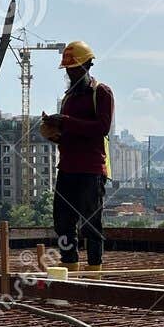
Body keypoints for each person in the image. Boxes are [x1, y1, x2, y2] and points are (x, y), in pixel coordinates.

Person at [40, 41, 113, 274]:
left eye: (75, 68)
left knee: (91, 224)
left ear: (88, 66)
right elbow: (71, 133)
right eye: (68, 69)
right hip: (68, 168)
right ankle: (69, 263)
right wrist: (55, 131)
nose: (71, 73)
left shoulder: (100, 92)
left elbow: (101, 127)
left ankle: (94, 271)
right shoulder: (69, 97)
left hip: (91, 170)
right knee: (63, 221)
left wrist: (67, 121)